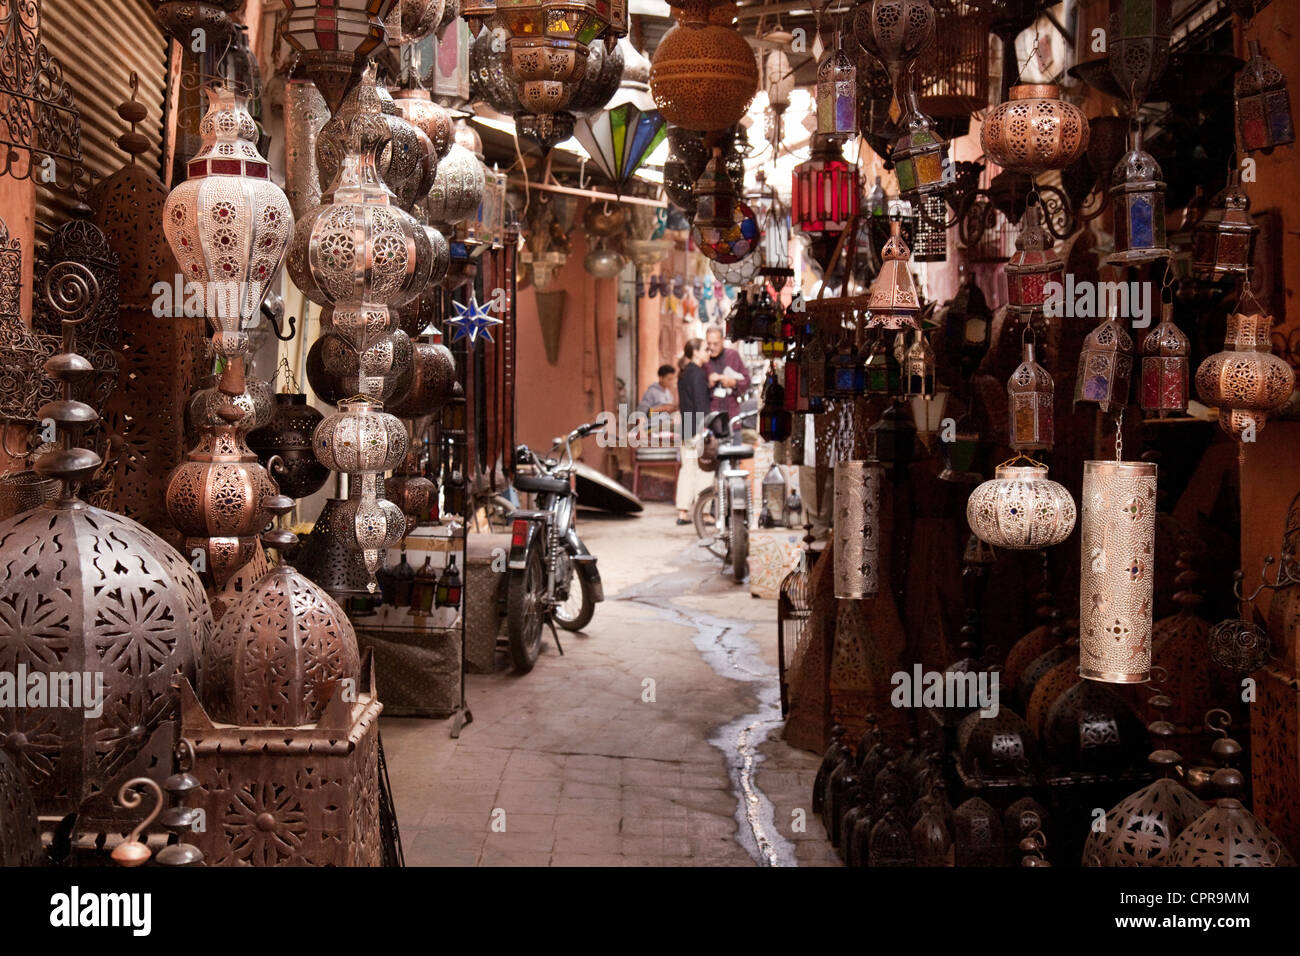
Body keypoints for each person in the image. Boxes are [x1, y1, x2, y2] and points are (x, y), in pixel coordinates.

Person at [675, 339, 711, 525]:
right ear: (695, 352)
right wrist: (707, 428)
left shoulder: (685, 373)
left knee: (688, 469)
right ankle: (704, 513)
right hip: (698, 428)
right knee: (705, 469)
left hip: (687, 428)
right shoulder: (697, 374)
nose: (709, 351)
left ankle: (683, 512)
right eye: (705, 349)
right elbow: (701, 404)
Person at [704, 326, 750, 430]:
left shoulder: (733, 355)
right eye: (708, 343)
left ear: (723, 340)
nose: (711, 347)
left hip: (732, 417)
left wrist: (733, 383)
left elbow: (747, 382)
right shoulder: (704, 359)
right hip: (710, 419)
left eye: (715, 344)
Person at [637, 365, 677, 433]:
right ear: (661, 378)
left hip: (665, 425)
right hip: (652, 426)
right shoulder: (651, 392)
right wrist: (661, 409)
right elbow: (641, 412)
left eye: (672, 379)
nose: (671, 382)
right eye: (669, 379)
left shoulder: (668, 393)